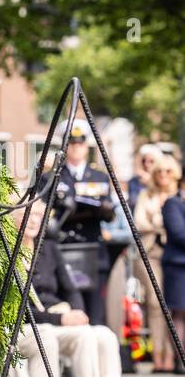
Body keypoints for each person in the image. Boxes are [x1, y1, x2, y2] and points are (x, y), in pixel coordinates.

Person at [19, 206, 131, 377]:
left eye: (39, 217)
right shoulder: (7, 252)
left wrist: (77, 312)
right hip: (38, 323)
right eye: (27, 215)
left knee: (105, 335)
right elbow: (17, 311)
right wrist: (61, 319)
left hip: (60, 318)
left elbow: (71, 288)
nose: (34, 221)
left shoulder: (47, 248)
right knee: (84, 338)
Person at [53, 122, 115, 324]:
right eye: (71, 143)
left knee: (96, 314)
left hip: (93, 250)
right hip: (63, 251)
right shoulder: (52, 178)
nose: (76, 147)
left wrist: (103, 210)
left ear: (86, 145)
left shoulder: (100, 177)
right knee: (69, 313)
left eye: (80, 143)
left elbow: (110, 215)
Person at [133, 155, 182, 372]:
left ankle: (173, 355)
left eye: (168, 171)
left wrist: (161, 221)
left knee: (173, 305)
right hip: (150, 251)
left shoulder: (177, 197)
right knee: (155, 302)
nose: (163, 175)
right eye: (159, 172)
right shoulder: (147, 194)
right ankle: (158, 355)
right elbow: (140, 222)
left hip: (171, 254)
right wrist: (163, 223)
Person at [163, 181, 185, 367]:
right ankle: (180, 359)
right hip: (178, 266)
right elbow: (179, 233)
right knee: (179, 312)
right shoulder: (173, 203)